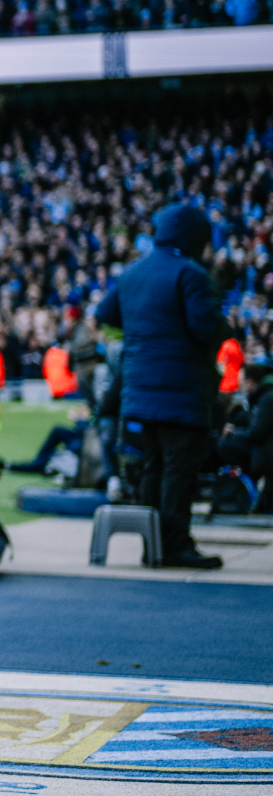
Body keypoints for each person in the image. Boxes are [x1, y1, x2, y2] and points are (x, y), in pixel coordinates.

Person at [95, 204, 225, 569]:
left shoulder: (133, 272)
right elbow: (205, 328)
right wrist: (224, 326)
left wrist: (144, 326)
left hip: (138, 389)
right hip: (181, 391)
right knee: (179, 469)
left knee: (153, 466)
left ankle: (151, 545)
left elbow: (105, 314)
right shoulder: (191, 273)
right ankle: (175, 546)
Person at [218, 362, 272, 509]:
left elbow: (256, 433)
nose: (239, 386)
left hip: (265, 453)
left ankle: (233, 495)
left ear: (250, 382)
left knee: (225, 447)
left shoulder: (267, 399)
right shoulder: (258, 399)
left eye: (241, 382)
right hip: (262, 450)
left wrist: (234, 432)